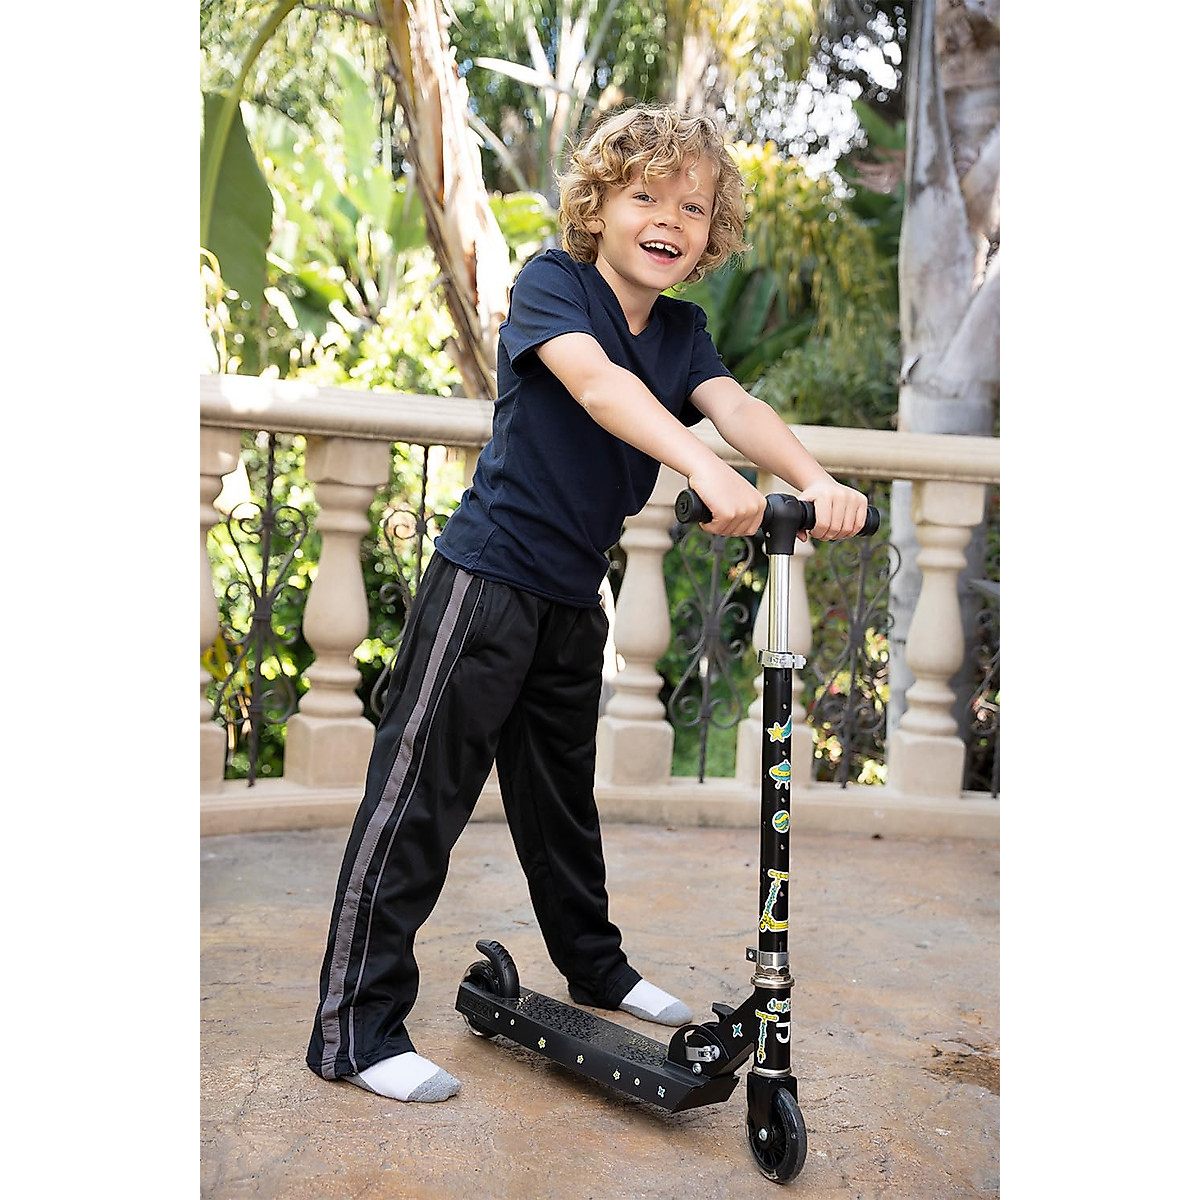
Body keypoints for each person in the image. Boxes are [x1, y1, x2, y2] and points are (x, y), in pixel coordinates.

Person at [306, 103, 868, 1104]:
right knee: (417, 803)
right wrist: (704, 468)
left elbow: (738, 407)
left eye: (692, 207)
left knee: (562, 807)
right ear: (598, 207)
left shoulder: (684, 333)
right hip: (487, 583)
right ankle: (355, 1029)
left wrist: (816, 480)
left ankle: (596, 969)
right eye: (644, 196)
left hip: (573, 597)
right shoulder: (552, 285)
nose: (668, 220)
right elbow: (601, 386)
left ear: (711, 233)